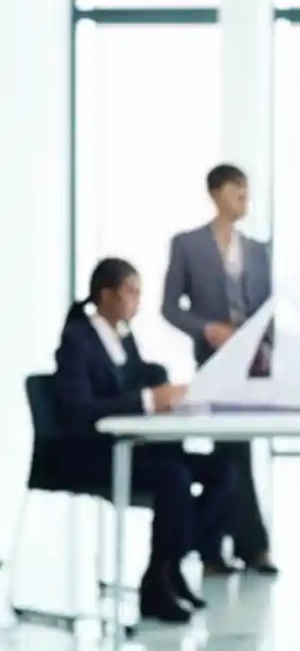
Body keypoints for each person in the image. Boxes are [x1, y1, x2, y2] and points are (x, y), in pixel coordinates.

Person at [54, 258, 235, 624]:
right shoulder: (77, 341)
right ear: (106, 295)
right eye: (130, 291)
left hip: (131, 446)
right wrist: (149, 399)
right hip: (91, 454)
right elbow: (79, 410)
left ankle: (168, 566)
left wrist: (164, 390)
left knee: (222, 471)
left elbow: (136, 380)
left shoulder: (124, 337)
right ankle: (159, 580)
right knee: (174, 478)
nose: (137, 300)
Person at [162, 163, 278, 576]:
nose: (244, 198)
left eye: (247, 191)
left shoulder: (259, 250)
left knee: (233, 449)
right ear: (215, 193)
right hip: (213, 361)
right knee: (232, 448)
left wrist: (269, 352)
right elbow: (170, 307)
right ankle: (248, 546)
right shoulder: (187, 245)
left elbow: (268, 310)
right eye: (237, 191)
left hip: (252, 365)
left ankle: (215, 546)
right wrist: (206, 328)